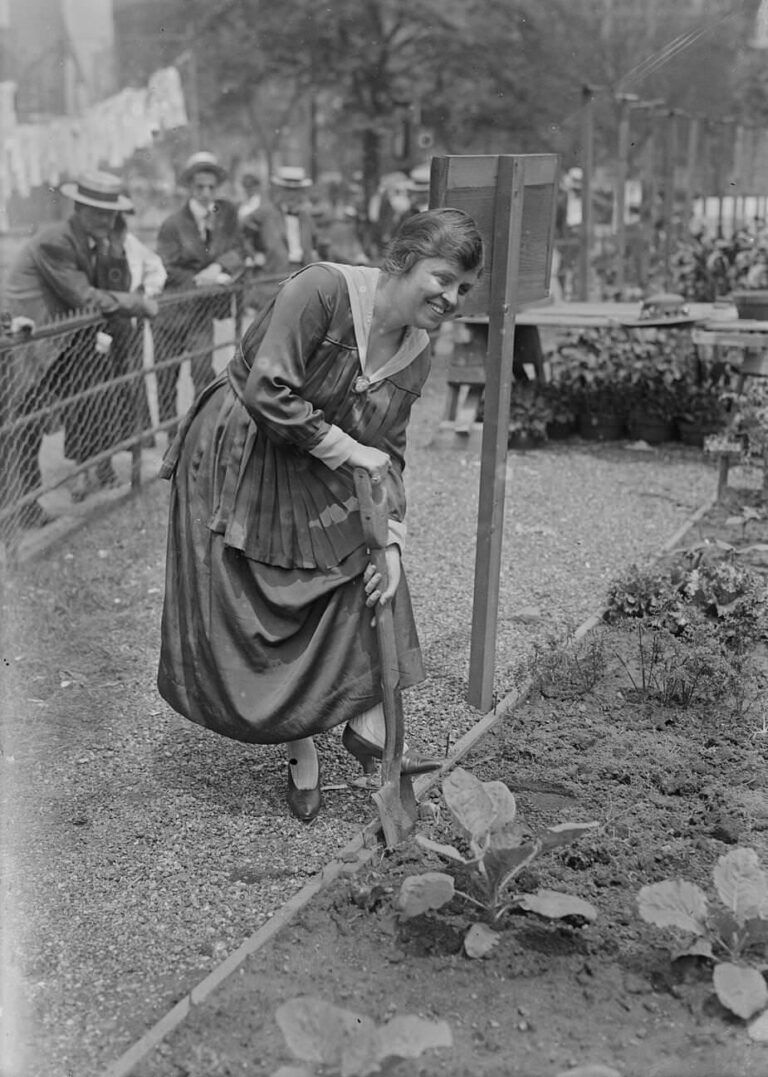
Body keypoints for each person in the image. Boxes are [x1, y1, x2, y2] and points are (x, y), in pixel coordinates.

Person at [157, 207, 484, 822]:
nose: (451, 297)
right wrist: (349, 450)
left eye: (464, 288)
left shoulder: (415, 352)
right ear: (403, 262)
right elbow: (267, 388)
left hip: (311, 450)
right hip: (241, 446)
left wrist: (390, 543)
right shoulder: (322, 291)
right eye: (442, 278)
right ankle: (301, 748)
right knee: (268, 595)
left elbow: (388, 453)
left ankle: (364, 719)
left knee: (359, 564)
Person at [2, 171, 159, 527]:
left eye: (112, 213)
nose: (108, 220)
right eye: (99, 213)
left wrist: (115, 243)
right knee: (23, 427)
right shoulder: (55, 241)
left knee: (49, 420)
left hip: (53, 344)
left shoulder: (91, 240)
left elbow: (103, 286)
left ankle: (31, 505)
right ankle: (19, 513)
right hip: (26, 343)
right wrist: (137, 303)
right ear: (79, 208)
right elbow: (84, 297)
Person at [154, 151, 245, 433]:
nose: (206, 193)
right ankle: (170, 432)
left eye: (211, 187)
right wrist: (198, 280)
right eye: (200, 187)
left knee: (203, 371)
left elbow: (238, 250)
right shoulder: (173, 224)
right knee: (167, 377)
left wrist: (218, 266)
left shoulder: (222, 217)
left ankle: (194, 431)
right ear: (190, 188)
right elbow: (165, 268)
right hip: (171, 313)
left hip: (201, 313)